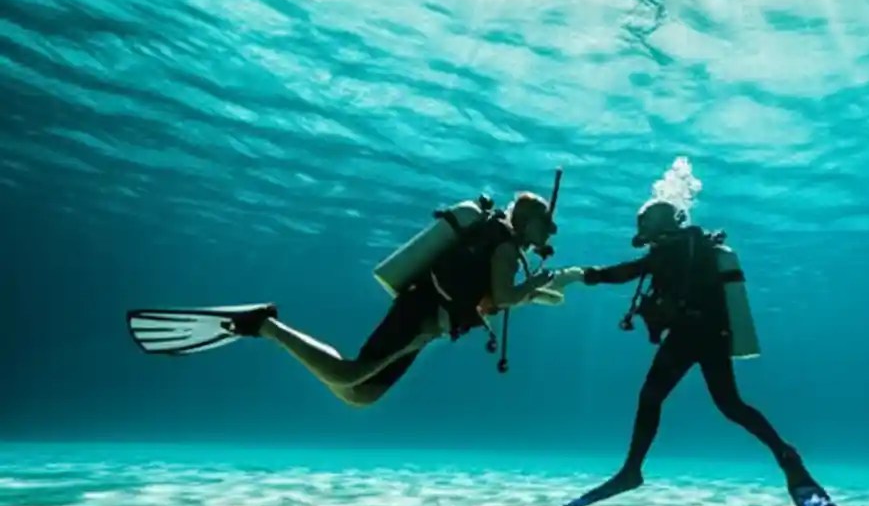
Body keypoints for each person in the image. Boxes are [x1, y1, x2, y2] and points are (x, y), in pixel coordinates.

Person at [554, 199, 850, 506]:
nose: (640, 231)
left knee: (651, 397)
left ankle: (631, 471)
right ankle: (786, 456)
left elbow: (627, 272)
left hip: (689, 334)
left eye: (644, 223)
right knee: (730, 405)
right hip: (714, 334)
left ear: (659, 223)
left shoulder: (671, 250)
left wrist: (580, 276)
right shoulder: (694, 247)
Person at [126, 189, 572, 407]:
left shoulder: (501, 244)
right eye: (546, 224)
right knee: (350, 375)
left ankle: (266, 326)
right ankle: (263, 324)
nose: (549, 233)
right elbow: (505, 294)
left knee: (361, 395)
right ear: (528, 220)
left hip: (426, 321)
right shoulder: (507, 247)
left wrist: (555, 286)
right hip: (421, 317)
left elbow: (499, 297)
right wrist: (536, 287)